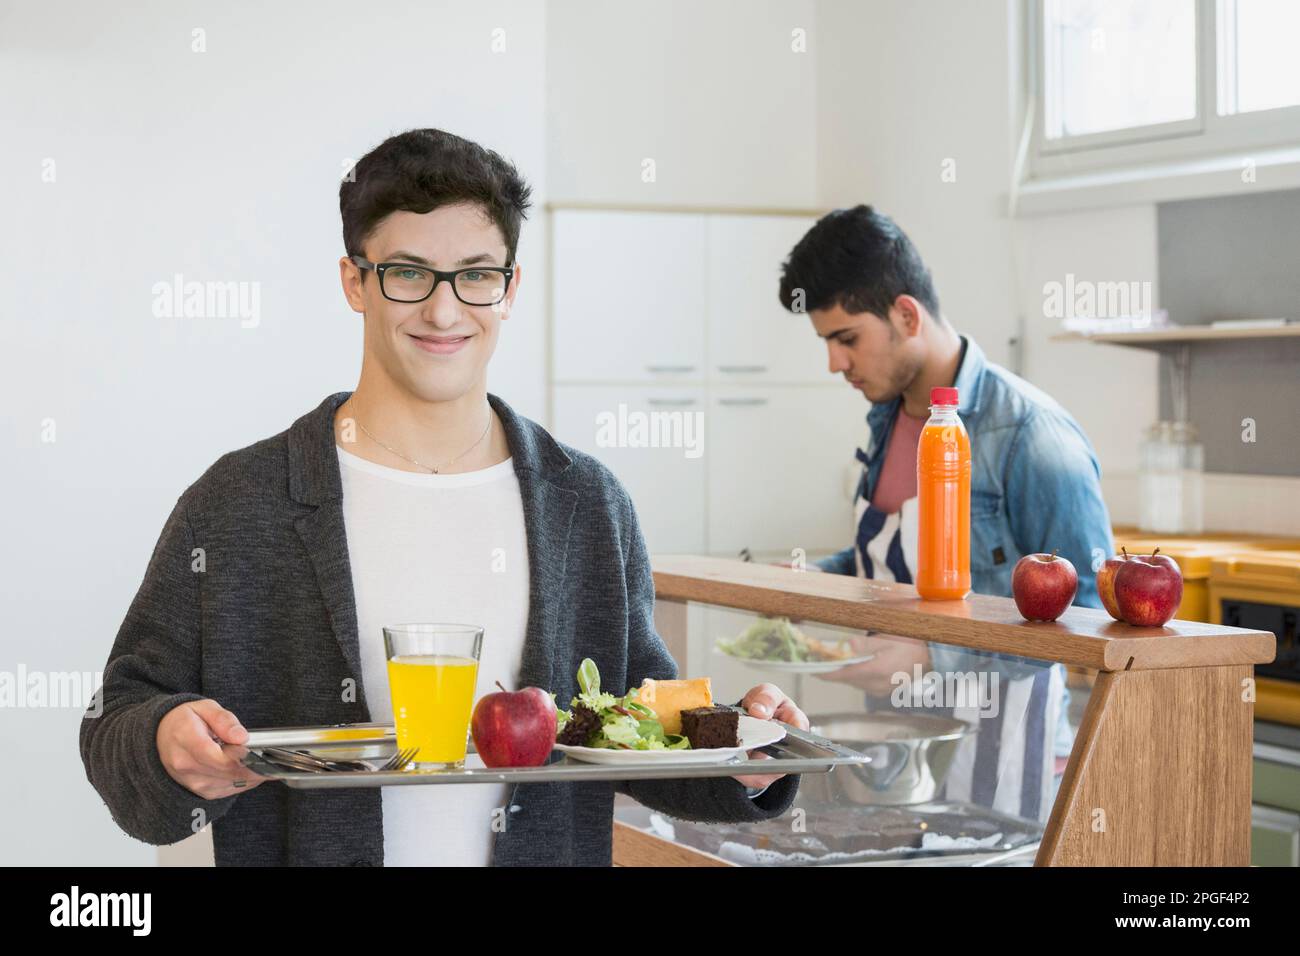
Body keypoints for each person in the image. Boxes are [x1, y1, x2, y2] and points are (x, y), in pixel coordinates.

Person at [80, 128, 807, 867]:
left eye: (475, 275)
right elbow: (116, 719)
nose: (444, 310)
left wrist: (747, 756)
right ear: (354, 281)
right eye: (408, 273)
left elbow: (637, 732)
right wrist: (162, 738)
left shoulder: (586, 504)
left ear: (510, 287)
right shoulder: (238, 503)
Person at [777, 205, 1114, 822]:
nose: (834, 363)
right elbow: (888, 560)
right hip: (898, 753)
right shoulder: (886, 420)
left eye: (846, 338)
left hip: (1007, 757)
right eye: (825, 342)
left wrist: (936, 659)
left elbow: (1088, 615)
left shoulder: (1031, 436)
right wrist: (803, 579)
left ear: (906, 315)